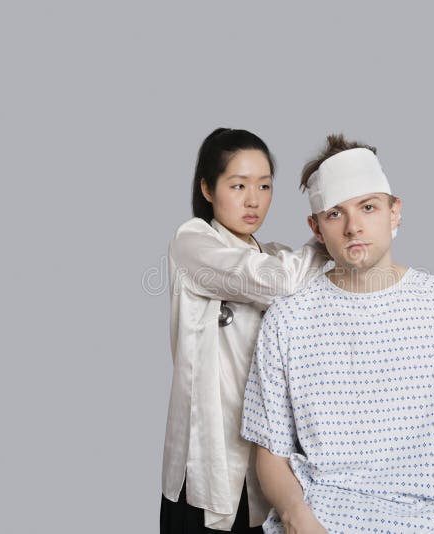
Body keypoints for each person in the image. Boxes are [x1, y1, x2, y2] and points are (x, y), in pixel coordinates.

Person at [241, 134, 434, 533]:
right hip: (325, 516)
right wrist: (296, 516)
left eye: (368, 207)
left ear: (394, 212)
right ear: (316, 228)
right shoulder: (288, 320)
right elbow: (270, 450)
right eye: (336, 214)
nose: (354, 227)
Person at [161, 128, 329, 533]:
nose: (253, 200)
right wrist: (328, 232)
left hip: (265, 464)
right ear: (207, 187)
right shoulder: (193, 243)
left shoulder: (273, 255)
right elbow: (280, 282)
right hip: (207, 461)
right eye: (238, 185)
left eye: (265, 186)